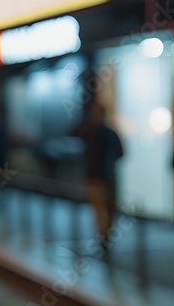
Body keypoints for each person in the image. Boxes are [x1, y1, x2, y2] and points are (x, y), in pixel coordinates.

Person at [72, 99, 124, 246]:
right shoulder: (93, 132)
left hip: (102, 176)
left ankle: (105, 236)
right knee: (101, 209)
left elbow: (120, 152)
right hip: (99, 177)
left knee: (105, 208)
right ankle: (104, 236)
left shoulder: (100, 132)